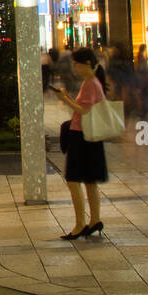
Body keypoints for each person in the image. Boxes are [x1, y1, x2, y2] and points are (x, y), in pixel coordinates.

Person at [50, 47, 108, 239]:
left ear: (87, 64)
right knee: (90, 181)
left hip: (82, 136)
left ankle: (80, 224)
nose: (74, 67)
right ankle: (94, 220)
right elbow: (83, 106)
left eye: (76, 64)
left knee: (73, 180)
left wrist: (65, 100)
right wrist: (66, 96)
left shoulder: (91, 83)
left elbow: (84, 111)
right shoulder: (91, 82)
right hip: (88, 136)